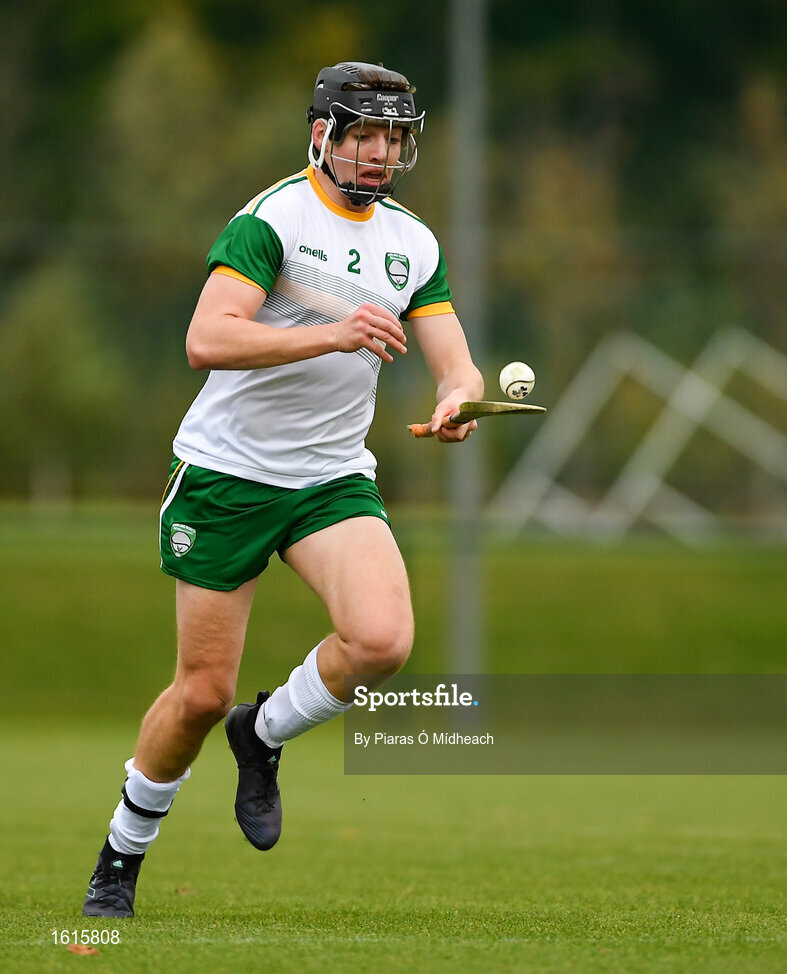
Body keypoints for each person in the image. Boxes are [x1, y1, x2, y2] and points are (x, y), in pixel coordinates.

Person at [82, 61, 483, 918]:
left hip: (330, 477)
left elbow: (455, 362)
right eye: (363, 135)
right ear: (322, 135)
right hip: (227, 475)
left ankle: (260, 734)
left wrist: (457, 400)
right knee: (200, 693)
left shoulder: (413, 242)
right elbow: (207, 338)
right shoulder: (273, 220)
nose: (379, 154)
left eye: (393, 139)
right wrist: (332, 334)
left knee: (382, 641)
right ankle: (122, 851)